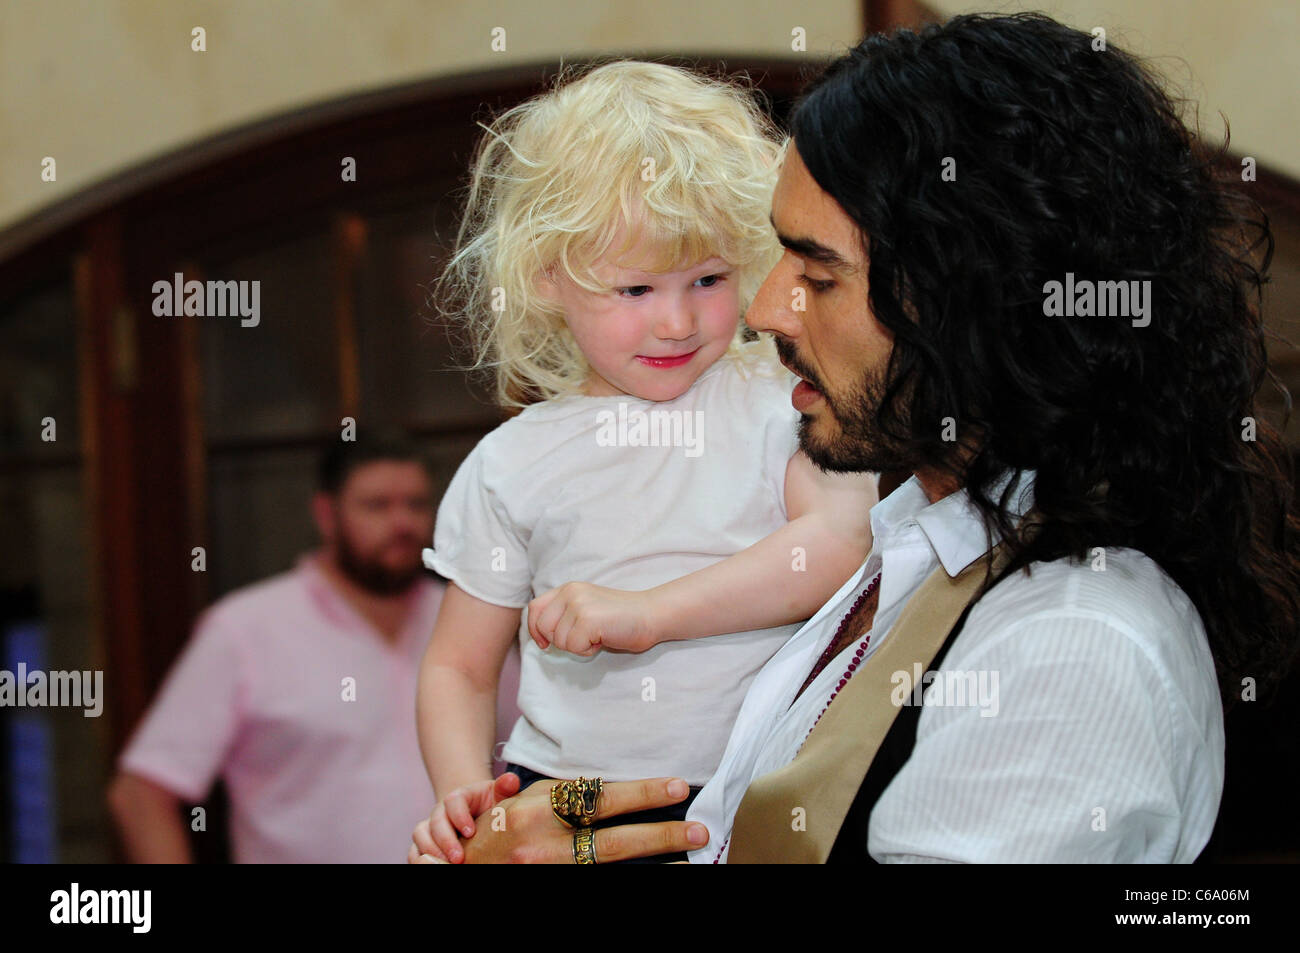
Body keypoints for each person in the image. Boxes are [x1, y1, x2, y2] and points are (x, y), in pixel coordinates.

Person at [410, 13, 1299, 864]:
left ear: (965, 294)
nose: (761, 312)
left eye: (819, 276)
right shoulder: (915, 542)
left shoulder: (1070, 643)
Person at [413, 60, 878, 863]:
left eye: (707, 279)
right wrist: (465, 796)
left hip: (755, 789)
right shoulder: (511, 461)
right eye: (634, 291)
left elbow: (837, 541)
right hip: (560, 804)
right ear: (548, 279)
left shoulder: (781, 400)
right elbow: (457, 666)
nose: (675, 320)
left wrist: (649, 613)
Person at [108, 433, 520, 863]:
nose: (402, 523)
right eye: (377, 505)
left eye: (416, 504)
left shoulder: (468, 620)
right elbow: (141, 794)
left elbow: (520, 762)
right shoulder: (244, 628)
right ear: (327, 514)